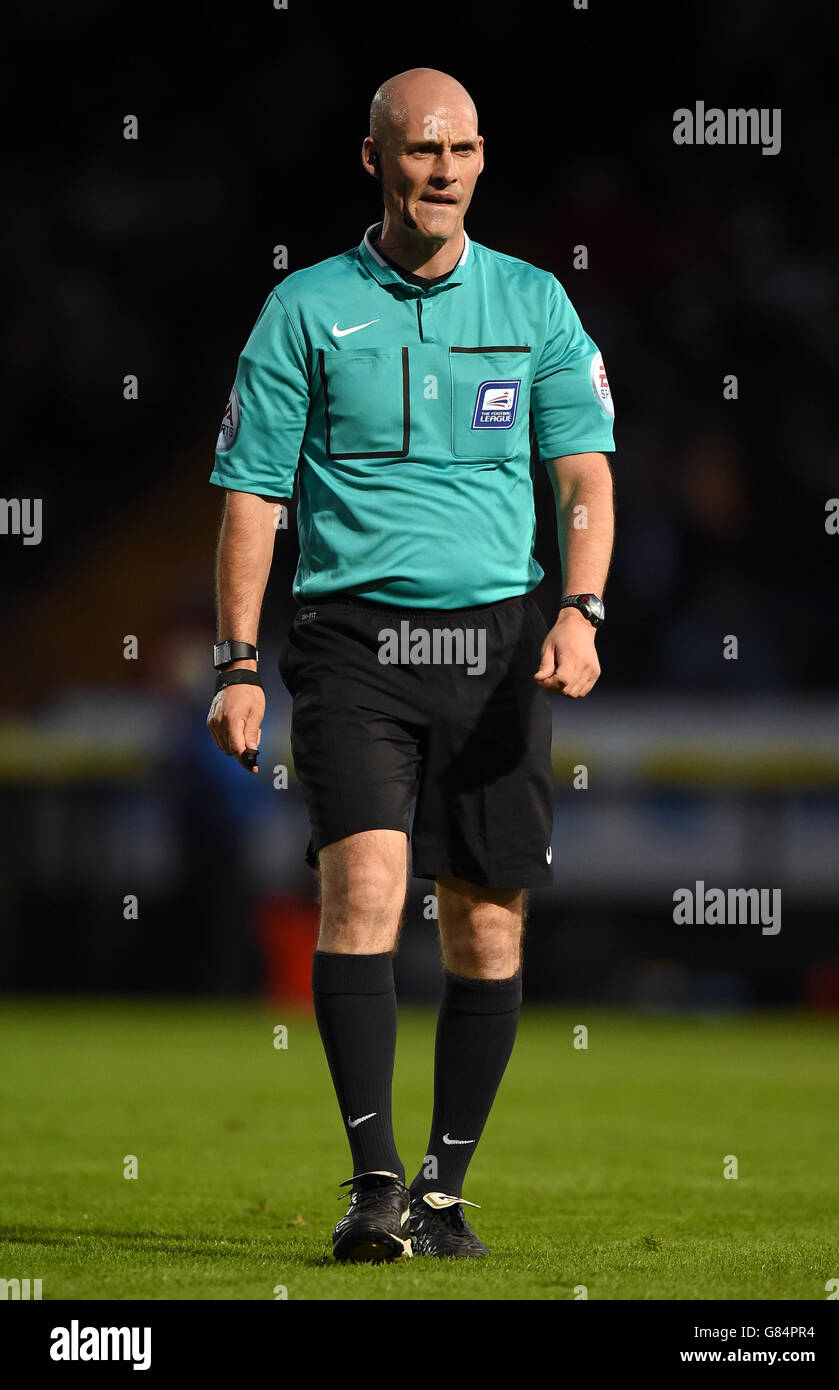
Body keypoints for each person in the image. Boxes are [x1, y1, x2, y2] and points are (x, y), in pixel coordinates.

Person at [206, 67, 615, 1262]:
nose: (443, 170)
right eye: (420, 150)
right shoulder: (304, 309)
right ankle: (375, 1184)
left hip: (495, 647)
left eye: (464, 149)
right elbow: (249, 495)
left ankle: (442, 1191)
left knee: (486, 928)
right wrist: (237, 661)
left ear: (483, 160)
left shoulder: (536, 303)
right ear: (374, 160)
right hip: (353, 644)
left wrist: (582, 608)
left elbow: (583, 474)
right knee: (366, 894)